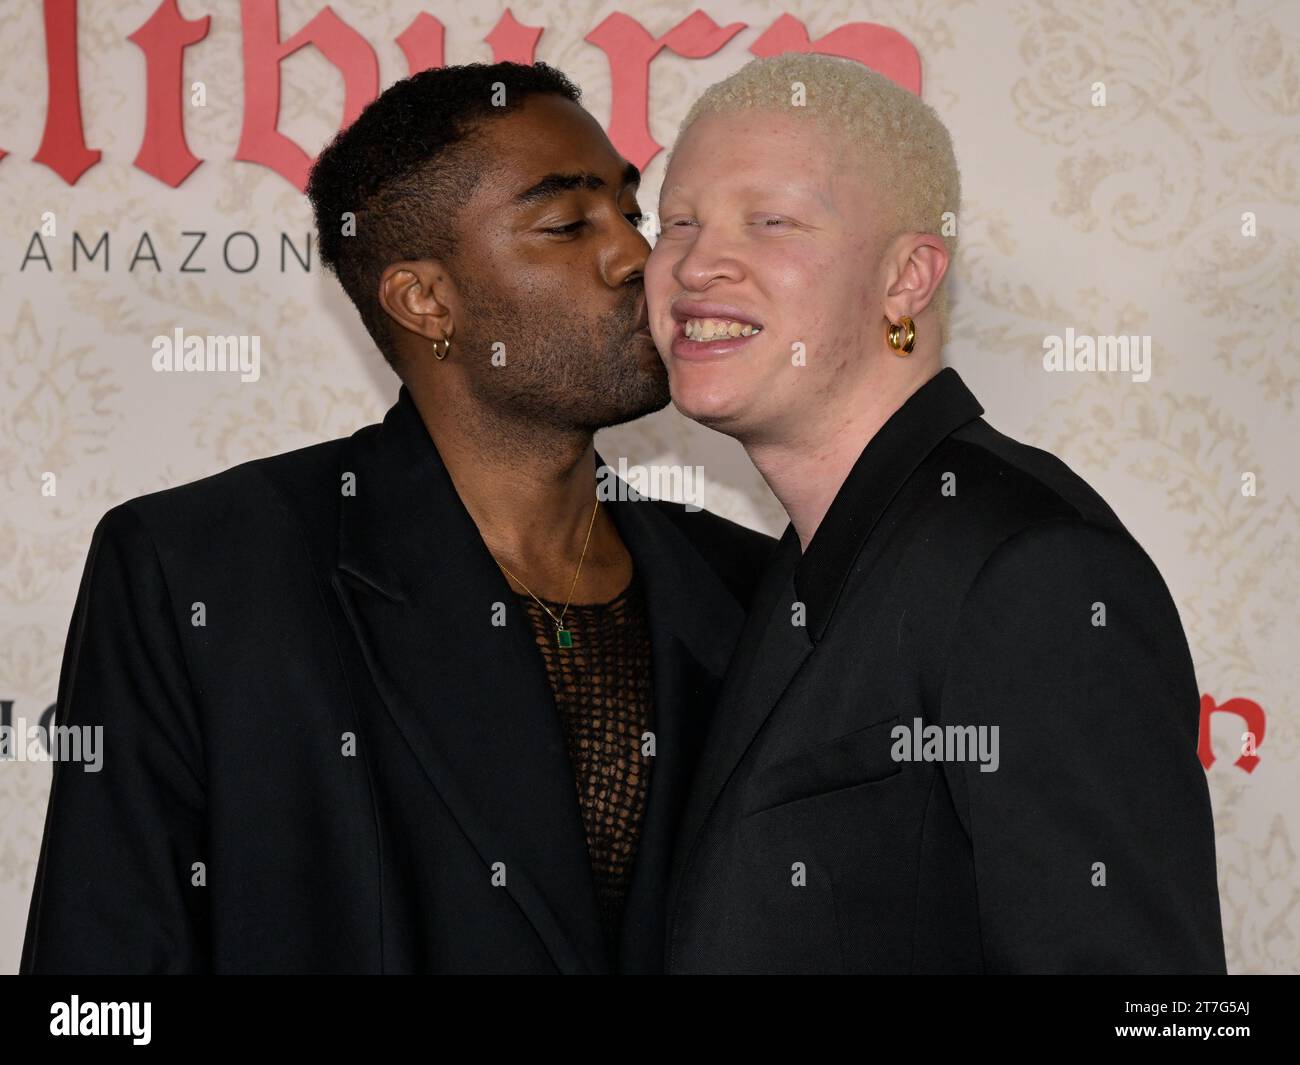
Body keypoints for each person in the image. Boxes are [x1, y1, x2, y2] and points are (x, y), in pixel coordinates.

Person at [22, 61, 773, 975]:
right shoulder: (204, 572)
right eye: (568, 224)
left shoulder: (749, 587)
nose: (637, 259)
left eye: (630, 211)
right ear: (426, 301)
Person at [645, 52, 1226, 973]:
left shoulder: (1031, 572)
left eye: (772, 220)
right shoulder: (801, 564)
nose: (697, 262)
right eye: (678, 220)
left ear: (907, 280)